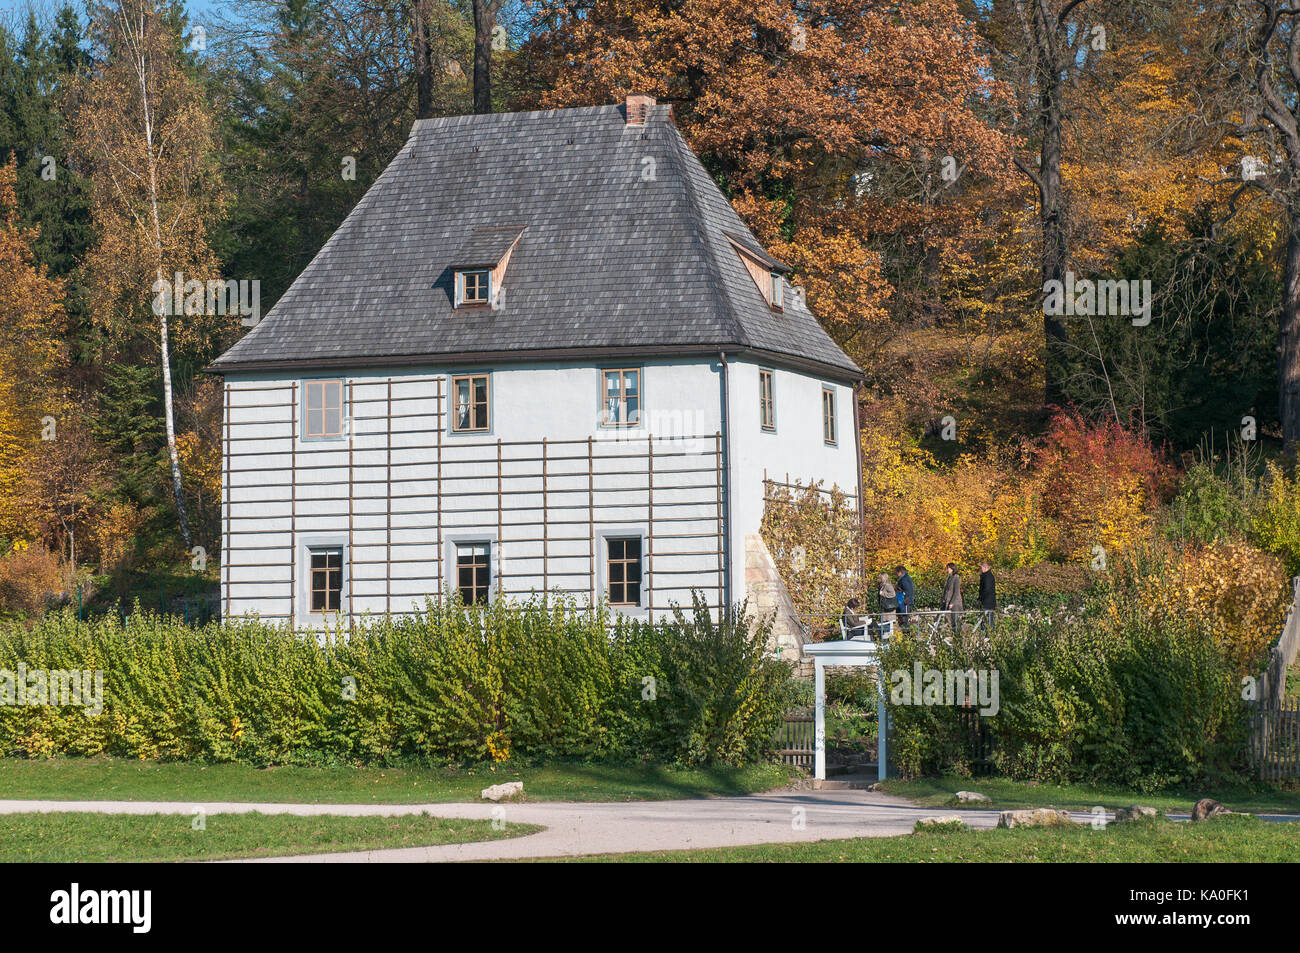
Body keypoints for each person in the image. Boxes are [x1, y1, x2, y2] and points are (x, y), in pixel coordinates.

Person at [941, 562, 963, 634]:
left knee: (955, 621)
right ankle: (954, 636)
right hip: (948, 601)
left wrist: (952, 602)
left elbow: (956, 592)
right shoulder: (949, 578)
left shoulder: (956, 578)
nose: (947, 570)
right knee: (950, 621)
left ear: (952, 569)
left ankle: (957, 637)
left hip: (955, 603)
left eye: (948, 568)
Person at [877, 572, 897, 638]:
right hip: (885, 609)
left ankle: (887, 641)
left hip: (889, 610)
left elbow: (893, 594)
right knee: (884, 625)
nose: (878, 579)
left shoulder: (888, 585)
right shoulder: (882, 585)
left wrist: (882, 593)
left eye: (879, 578)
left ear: (883, 578)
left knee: (887, 626)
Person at [895, 565, 914, 630]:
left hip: (905, 604)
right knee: (904, 622)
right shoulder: (906, 578)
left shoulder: (904, 580)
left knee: (904, 622)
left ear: (900, 572)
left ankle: (908, 638)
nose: (896, 574)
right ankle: (907, 637)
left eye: (896, 573)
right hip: (905, 603)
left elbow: (907, 592)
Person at [979, 560, 996, 631]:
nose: (980, 569)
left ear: (985, 567)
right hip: (987, 602)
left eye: (981, 568)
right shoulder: (986, 576)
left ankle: (988, 636)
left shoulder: (987, 576)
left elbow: (987, 589)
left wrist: (981, 598)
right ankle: (987, 635)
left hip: (987, 603)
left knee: (987, 621)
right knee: (986, 620)